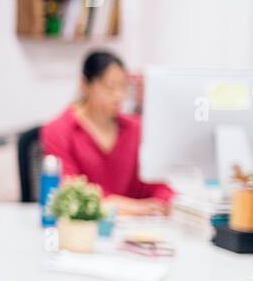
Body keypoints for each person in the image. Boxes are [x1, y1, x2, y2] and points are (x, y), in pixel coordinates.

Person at [41, 50, 173, 215]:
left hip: (136, 229)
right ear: (85, 84)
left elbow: (155, 183)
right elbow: (70, 194)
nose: (119, 96)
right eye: (110, 87)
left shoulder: (136, 128)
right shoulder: (58, 130)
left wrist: (165, 201)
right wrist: (130, 207)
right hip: (83, 229)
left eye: (123, 87)